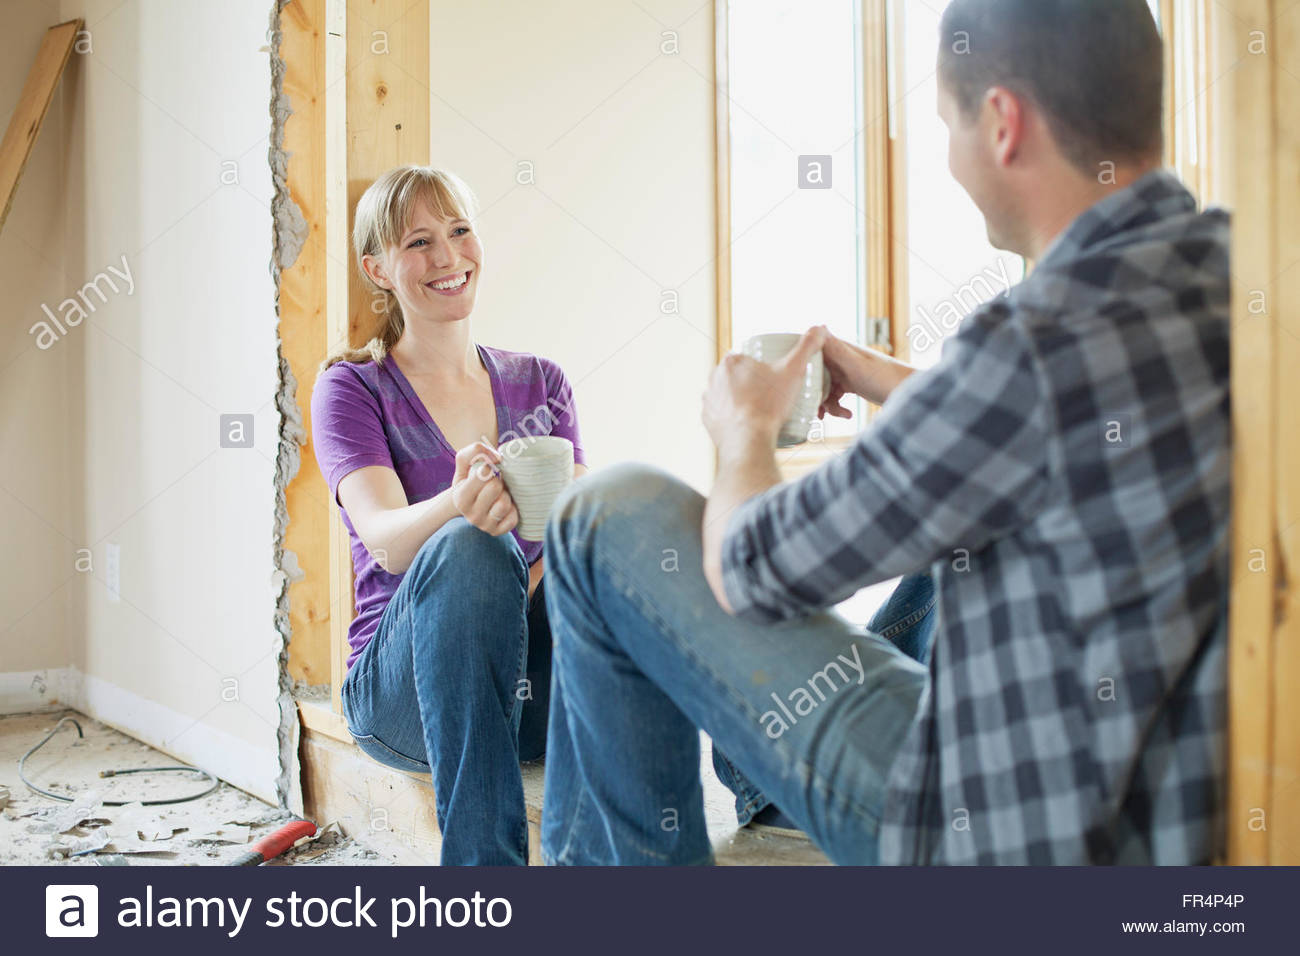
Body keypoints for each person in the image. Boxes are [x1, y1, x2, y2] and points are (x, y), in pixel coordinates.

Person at [540, 0, 1228, 865]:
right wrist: (882, 378)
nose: (947, 156)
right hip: (1164, 807)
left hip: (1000, 835)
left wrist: (743, 428)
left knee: (603, 515)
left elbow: (752, 566)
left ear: (1003, 122)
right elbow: (1056, 419)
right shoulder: (1229, 268)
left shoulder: (1033, 339)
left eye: (945, 125)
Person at [310, 165, 588, 865]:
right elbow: (384, 542)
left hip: (527, 695)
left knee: (625, 536)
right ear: (378, 269)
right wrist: (454, 507)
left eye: (459, 231)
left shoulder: (542, 382)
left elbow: (575, 538)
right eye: (419, 242)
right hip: (403, 699)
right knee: (469, 545)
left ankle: (748, 795)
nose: (447, 256)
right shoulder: (352, 388)